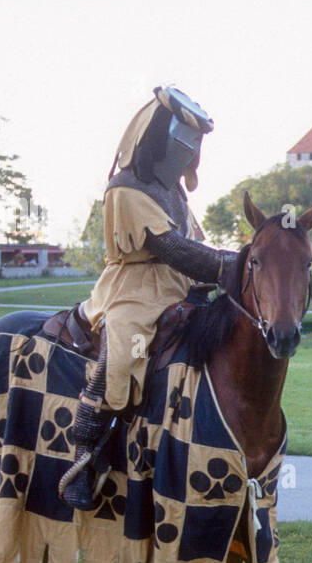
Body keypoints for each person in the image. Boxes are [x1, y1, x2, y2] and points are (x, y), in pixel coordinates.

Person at [59, 86, 237, 510]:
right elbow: (170, 247)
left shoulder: (175, 191)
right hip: (132, 290)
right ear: (158, 136)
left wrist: (244, 261)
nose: (190, 150)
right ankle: (83, 460)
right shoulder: (126, 188)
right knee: (123, 350)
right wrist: (228, 266)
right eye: (185, 139)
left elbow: (193, 244)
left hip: (177, 286)